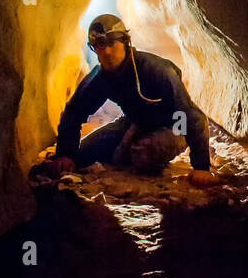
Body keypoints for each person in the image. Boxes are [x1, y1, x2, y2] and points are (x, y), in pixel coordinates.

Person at [38, 14, 216, 183]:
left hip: (173, 127)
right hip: (134, 123)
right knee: (81, 156)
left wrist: (202, 167)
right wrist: (65, 154)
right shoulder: (102, 77)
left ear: (125, 42)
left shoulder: (156, 70)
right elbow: (75, 111)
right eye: (99, 45)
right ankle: (124, 149)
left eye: (111, 43)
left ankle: (129, 151)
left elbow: (190, 115)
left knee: (144, 153)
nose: (106, 51)